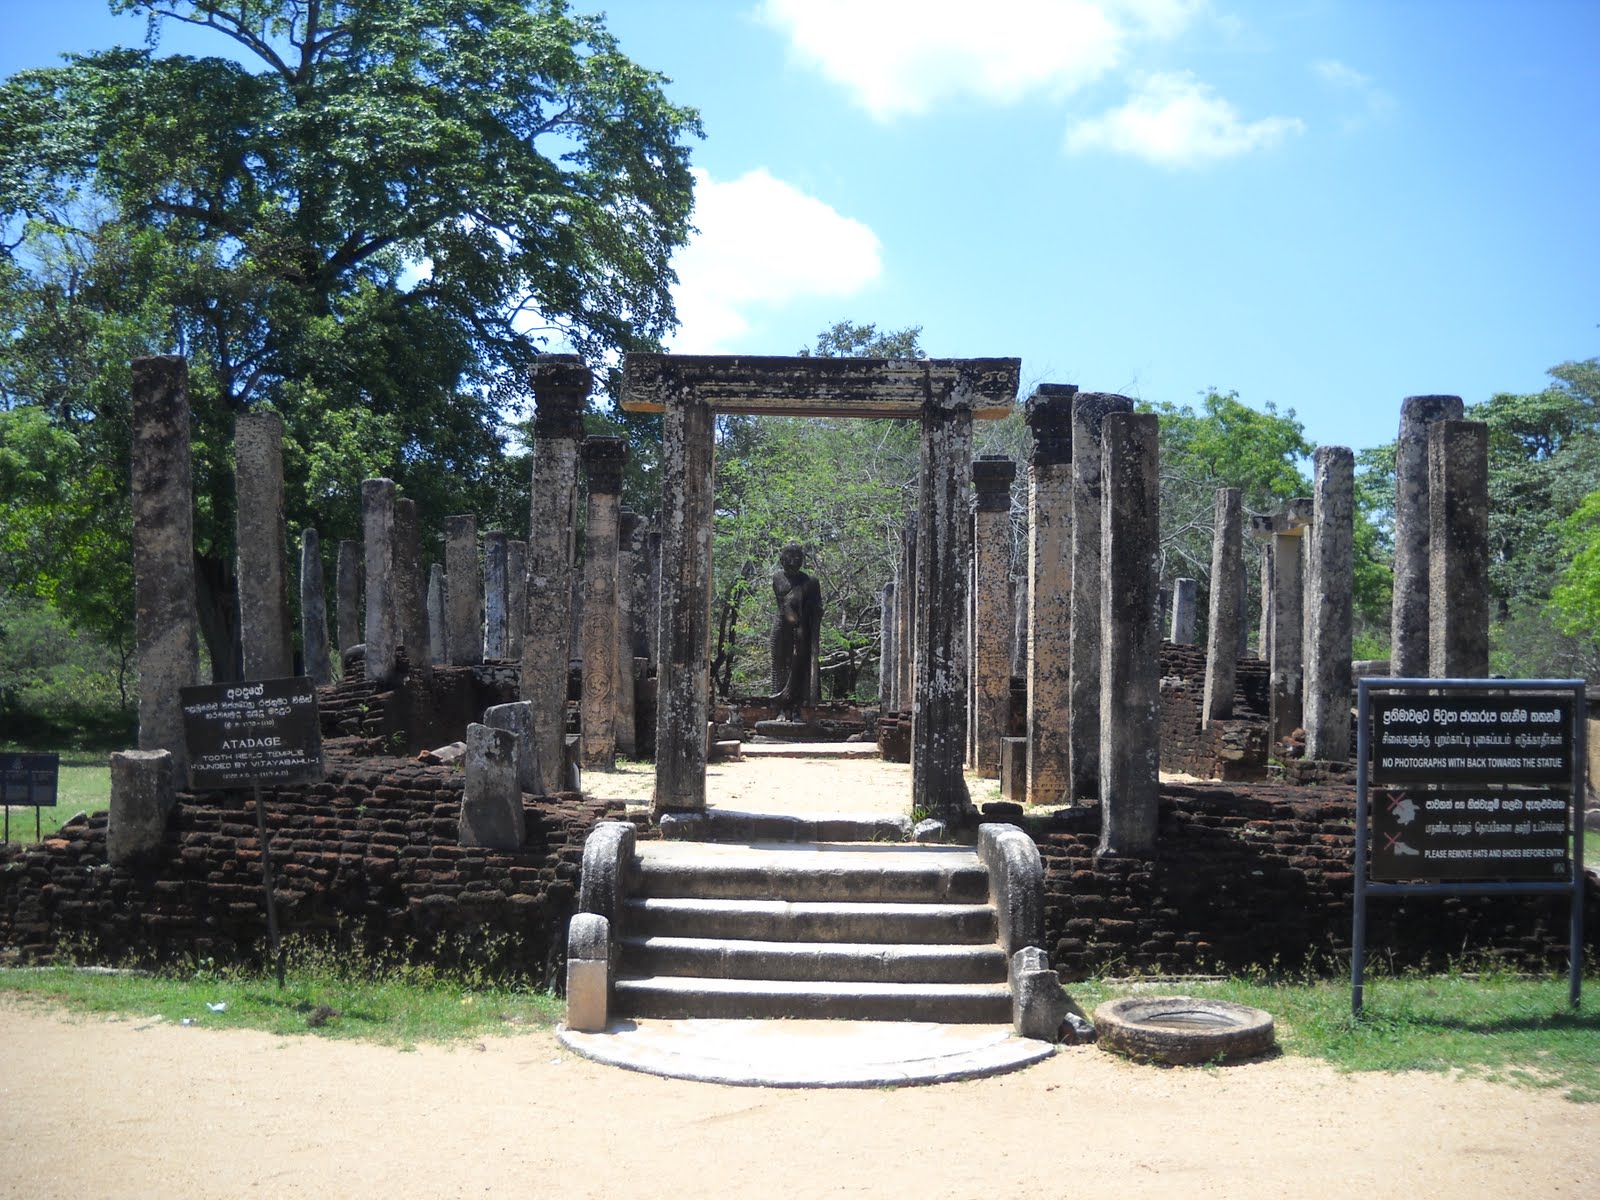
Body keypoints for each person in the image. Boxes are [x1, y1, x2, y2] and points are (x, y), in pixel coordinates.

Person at [769, 543, 822, 721]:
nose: (794, 559)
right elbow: (786, 605)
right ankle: (781, 709)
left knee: (800, 668)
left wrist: (811, 618)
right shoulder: (779, 578)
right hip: (783, 626)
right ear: (782, 558)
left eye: (798, 555)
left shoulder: (810, 581)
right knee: (780, 667)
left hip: (803, 629)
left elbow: (817, 607)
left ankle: (797, 708)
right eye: (790, 555)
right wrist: (796, 620)